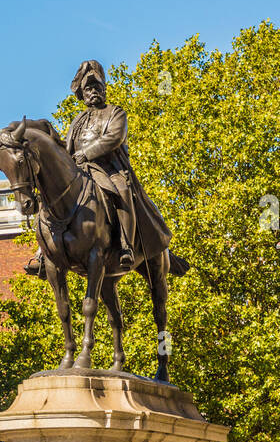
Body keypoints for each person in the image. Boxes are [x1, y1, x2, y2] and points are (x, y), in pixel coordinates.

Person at [25, 60, 172, 278]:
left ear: (104, 90)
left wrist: (87, 153)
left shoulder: (115, 113)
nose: (93, 92)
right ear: (82, 95)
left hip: (110, 169)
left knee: (122, 191)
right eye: (88, 89)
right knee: (52, 201)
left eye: (97, 88)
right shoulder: (78, 120)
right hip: (82, 172)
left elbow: (113, 138)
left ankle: (126, 246)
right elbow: (68, 148)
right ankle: (44, 253)